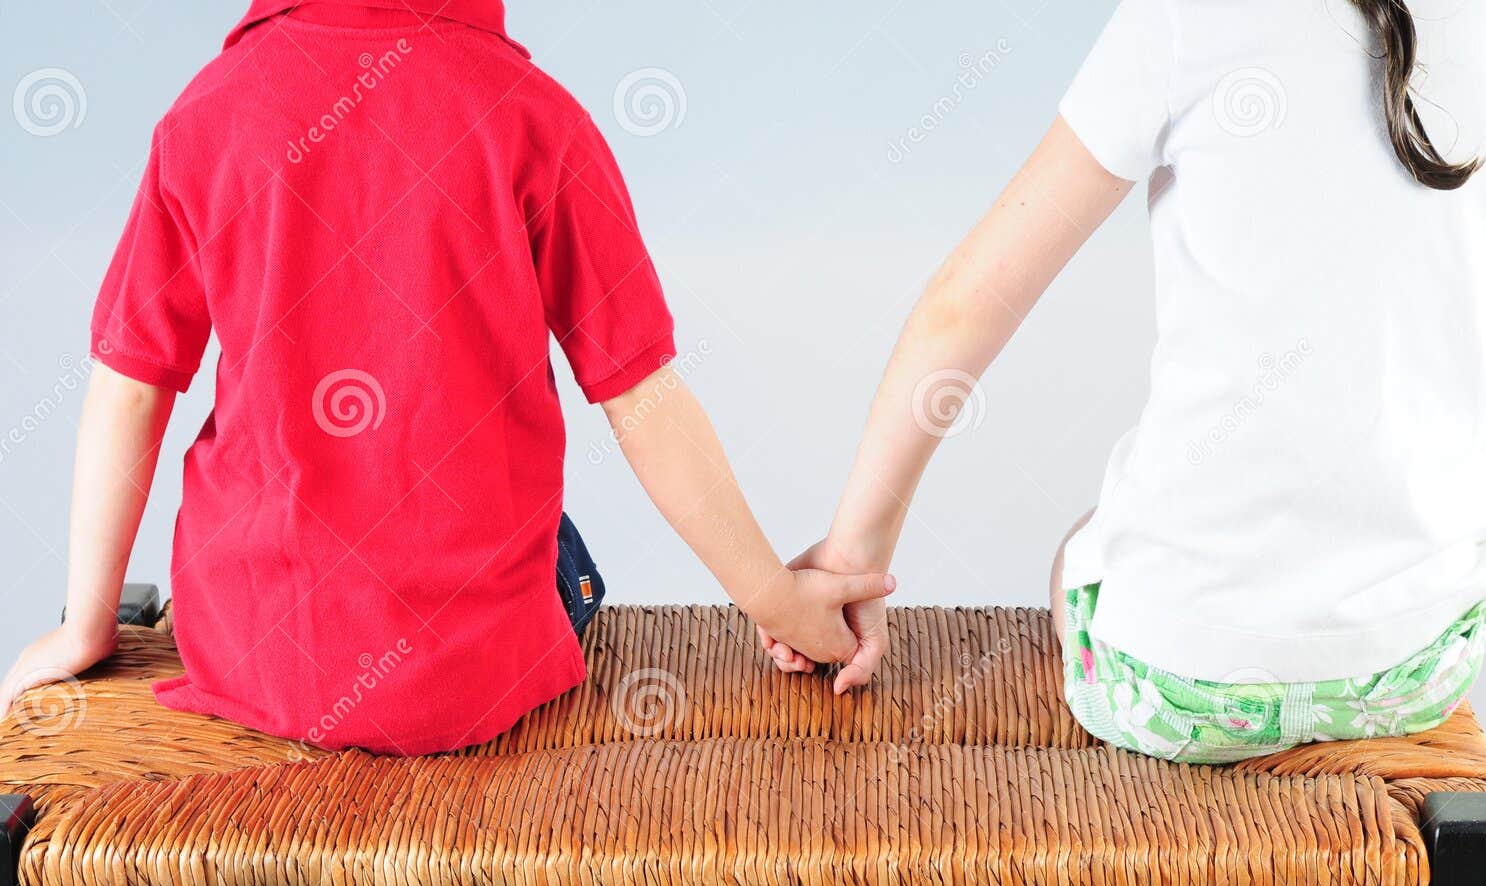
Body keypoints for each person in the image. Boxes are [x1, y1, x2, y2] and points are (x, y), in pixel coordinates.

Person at [0, 0, 891, 754]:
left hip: (252, 650)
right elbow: (643, 400)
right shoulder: (535, 116)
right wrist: (775, 598)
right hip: (471, 679)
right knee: (563, 549)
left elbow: (130, 386)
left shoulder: (204, 115)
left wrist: (90, 623)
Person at [769, 0, 1486, 762]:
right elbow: (1475, 379)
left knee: (1080, 547)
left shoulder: (1185, 17)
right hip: (1421, 663)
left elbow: (964, 307)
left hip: (1174, 689)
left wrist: (853, 553)